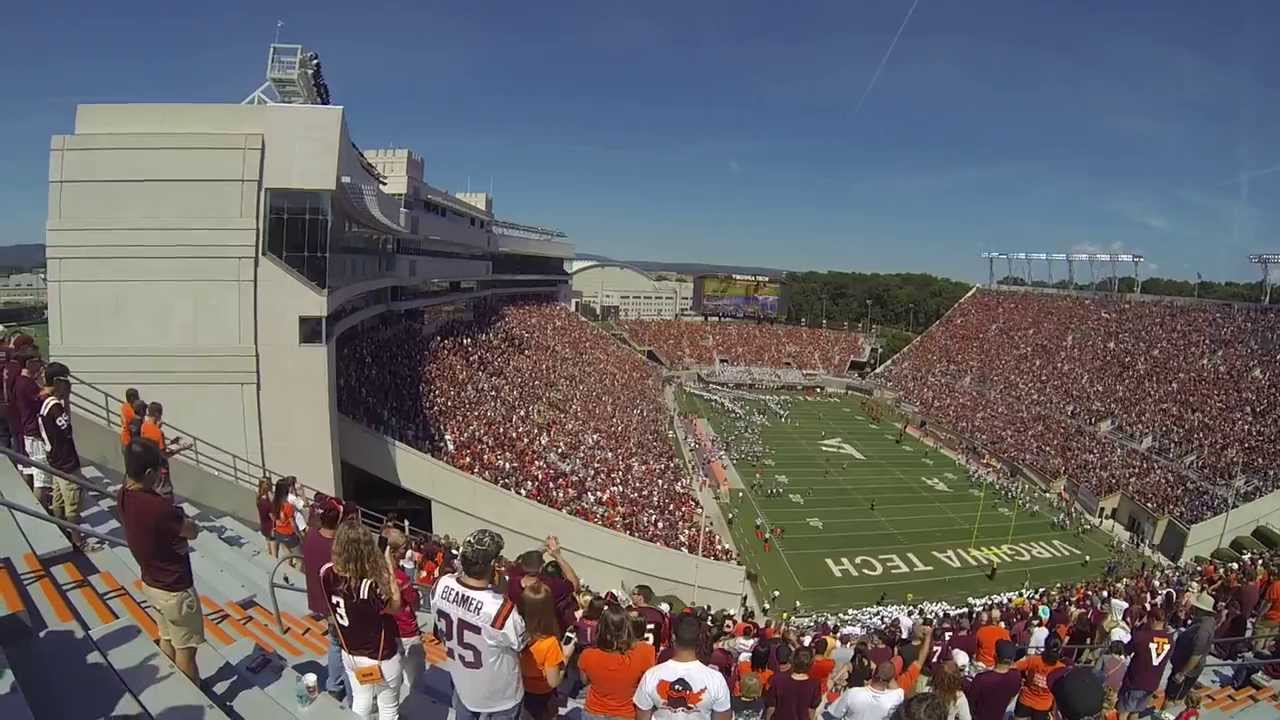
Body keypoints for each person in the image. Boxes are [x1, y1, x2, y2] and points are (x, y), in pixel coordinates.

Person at [117, 439, 203, 682]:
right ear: (148, 473)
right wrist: (186, 525)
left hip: (151, 583)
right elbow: (191, 531)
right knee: (186, 651)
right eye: (158, 470)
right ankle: (193, 692)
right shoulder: (158, 508)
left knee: (166, 638)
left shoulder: (123, 494)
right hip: (175, 588)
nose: (161, 474)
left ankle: (173, 682)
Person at [430, 528, 528, 720]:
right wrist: (502, 592)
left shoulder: (440, 585)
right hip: (500, 697)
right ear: (493, 564)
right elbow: (521, 643)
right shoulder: (501, 610)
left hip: (463, 685)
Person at [320, 520, 403, 720]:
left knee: (361, 700)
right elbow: (396, 606)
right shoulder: (369, 587)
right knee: (388, 707)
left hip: (350, 653)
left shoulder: (326, 572)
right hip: (379, 655)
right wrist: (387, 566)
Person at [634, 613, 732, 720]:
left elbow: (642, 716)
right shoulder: (716, 679)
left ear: (673, 637)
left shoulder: (651, 675)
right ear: (699, 638)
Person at [579, 604, 657, 720]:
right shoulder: (646, 651)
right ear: (628, 627)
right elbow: (647, 685)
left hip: (593, 712)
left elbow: (584, 680)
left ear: (600, 627)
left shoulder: (587, 654)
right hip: (625, 714)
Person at [302, 496, 345, 702]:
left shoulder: (311, 535)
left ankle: (336, 683)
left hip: (319, 599)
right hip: (336, 604)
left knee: (336, 643)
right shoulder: (337, 547)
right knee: (340, 645)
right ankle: (335, 685)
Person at [39, 373, 86, 550]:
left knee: (58, 499)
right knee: (72, 503)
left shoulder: (43, 402)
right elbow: (67, 430)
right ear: (58, 382)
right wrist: (66, 400)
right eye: (66, 381)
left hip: (54, 460)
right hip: (66, 462)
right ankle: (78, 541)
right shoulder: (55, 407)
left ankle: (62, 532)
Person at [519, 580, 571, 720]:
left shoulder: (515, 632)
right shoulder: (550, 643)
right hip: (542, 699)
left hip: (518, 692)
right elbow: (553, 681)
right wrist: (566, 656)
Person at [1163, 593, 1216, 719]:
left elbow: (1196, 655)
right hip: (1184, 666)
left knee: (1172, 698)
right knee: (1174, 696)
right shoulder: (1205, 622)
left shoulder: (1203, 629)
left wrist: (1182, 673)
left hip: (1186, 670)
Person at [385, 529, 423, 697]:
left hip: (387, 630)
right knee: (415, 677)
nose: (406, 551)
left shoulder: (376, 572)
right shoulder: (401, 577)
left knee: (393, 673)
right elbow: (415, 603)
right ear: (392, 551)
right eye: (403, 548)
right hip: (407, 631)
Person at [1118, 608, 1172, 720]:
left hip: (1135, 681)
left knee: (1123, 712)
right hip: (1153, 683)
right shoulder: (1170, 640)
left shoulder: (1142, 636)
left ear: (1153, 620)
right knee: (1136, 712)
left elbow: (1126, 650)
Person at [14, 354, 46, 501]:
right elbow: (40, 400)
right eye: (37, 361)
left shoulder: (18, 380)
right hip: (33, 430)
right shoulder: (27, 384)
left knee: (29, 468)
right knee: (42, 477)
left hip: (25, 427)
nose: (40, 364)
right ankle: (39, 506)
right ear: (28, 363)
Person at [826, 661, 904, 720]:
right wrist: (887, 675)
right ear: (891, 679)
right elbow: (896, 688)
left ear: (873, 673)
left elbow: (834, 714)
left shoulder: (852, 693)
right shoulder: (897, 697)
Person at [964, 640, 1021, 720]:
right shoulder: (1016, 676)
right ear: (1013, 659)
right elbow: (1012, 696)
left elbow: (971, 702)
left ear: (995, 656)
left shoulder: (981, 678)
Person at [1012, 636, 1066, 720]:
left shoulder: (1033, 660)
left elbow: (1014, 667)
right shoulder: (1061, 668)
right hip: (1043, 706)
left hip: (1026, 700)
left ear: (1045, 645)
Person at [764, 645, 821, 720]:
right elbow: (811, 710)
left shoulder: (777, 679)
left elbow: (771, 707)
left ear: (792, 660)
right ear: (811, 663)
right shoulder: (814, 684)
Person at [270, 477, 301, 569]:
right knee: (300, 559)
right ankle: (296, 575)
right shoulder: (288, 506)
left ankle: (287, 571)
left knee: (287, 554)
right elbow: (293, 523)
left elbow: (273, 518)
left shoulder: (274, 503)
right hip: (289, 535)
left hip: (279, 533)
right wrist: (299, 535)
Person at [631, 584, 672, 653]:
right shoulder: (659, 614)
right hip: (653, 653)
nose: (631, 596)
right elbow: (664, 637)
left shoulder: (632, 612)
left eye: (634, 594)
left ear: (640, 597)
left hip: (635, 652)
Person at [1254, 570, 1280, 653]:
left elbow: (1268, 603)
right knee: (1269, 640)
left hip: (1269, 616)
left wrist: (1259, 615)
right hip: (1278, 619)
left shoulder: (1276, 585)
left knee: (1260, 638)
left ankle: (1256, 654)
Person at [255, 478, 276, 557]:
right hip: (271, 527)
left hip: (264, 525)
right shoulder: (267, 503)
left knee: (269, 547)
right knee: (274, 552)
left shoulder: (259, 498)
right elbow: (272, 516)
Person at [120, 388, 141, 459]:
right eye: (137, 397)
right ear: (132, 398)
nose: (139, 399)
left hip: (127, 441)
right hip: (129, 442)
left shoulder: (125, 406)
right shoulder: (129, 410)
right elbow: (137, 420)